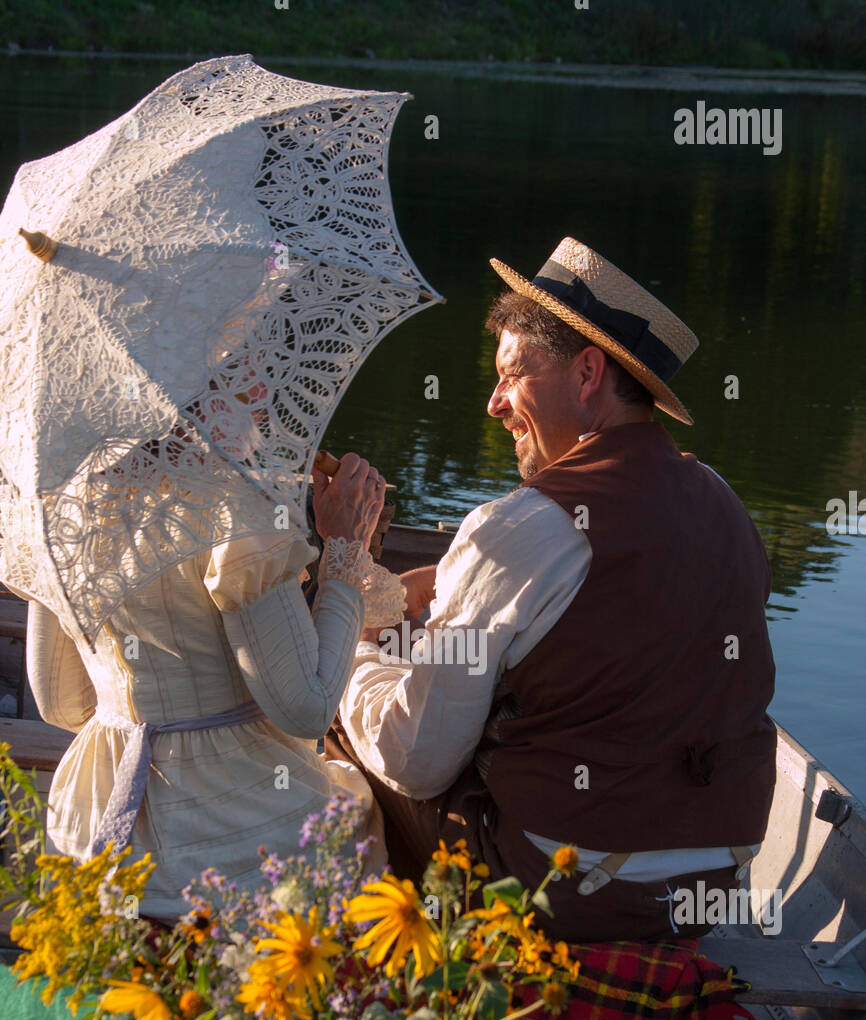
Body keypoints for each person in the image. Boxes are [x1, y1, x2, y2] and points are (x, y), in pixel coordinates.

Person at [327, 237, 777, 943]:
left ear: (588, 373)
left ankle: (382, 956)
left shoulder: (517, 526)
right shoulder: (723, 500)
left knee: (342, 714)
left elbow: (417, 762)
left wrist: (355, 648)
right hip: (709, 891)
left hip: (568, 894)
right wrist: (451, 584)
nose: (493, 404)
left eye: (512, 375)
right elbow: (638, 611)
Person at [17, 451, 404, 921]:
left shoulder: (54, 508)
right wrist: (348, 545)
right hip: (240, 833)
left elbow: (60, 705)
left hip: (91, 821)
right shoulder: (234, 506)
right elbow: (308, 709)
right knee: (374, 811)